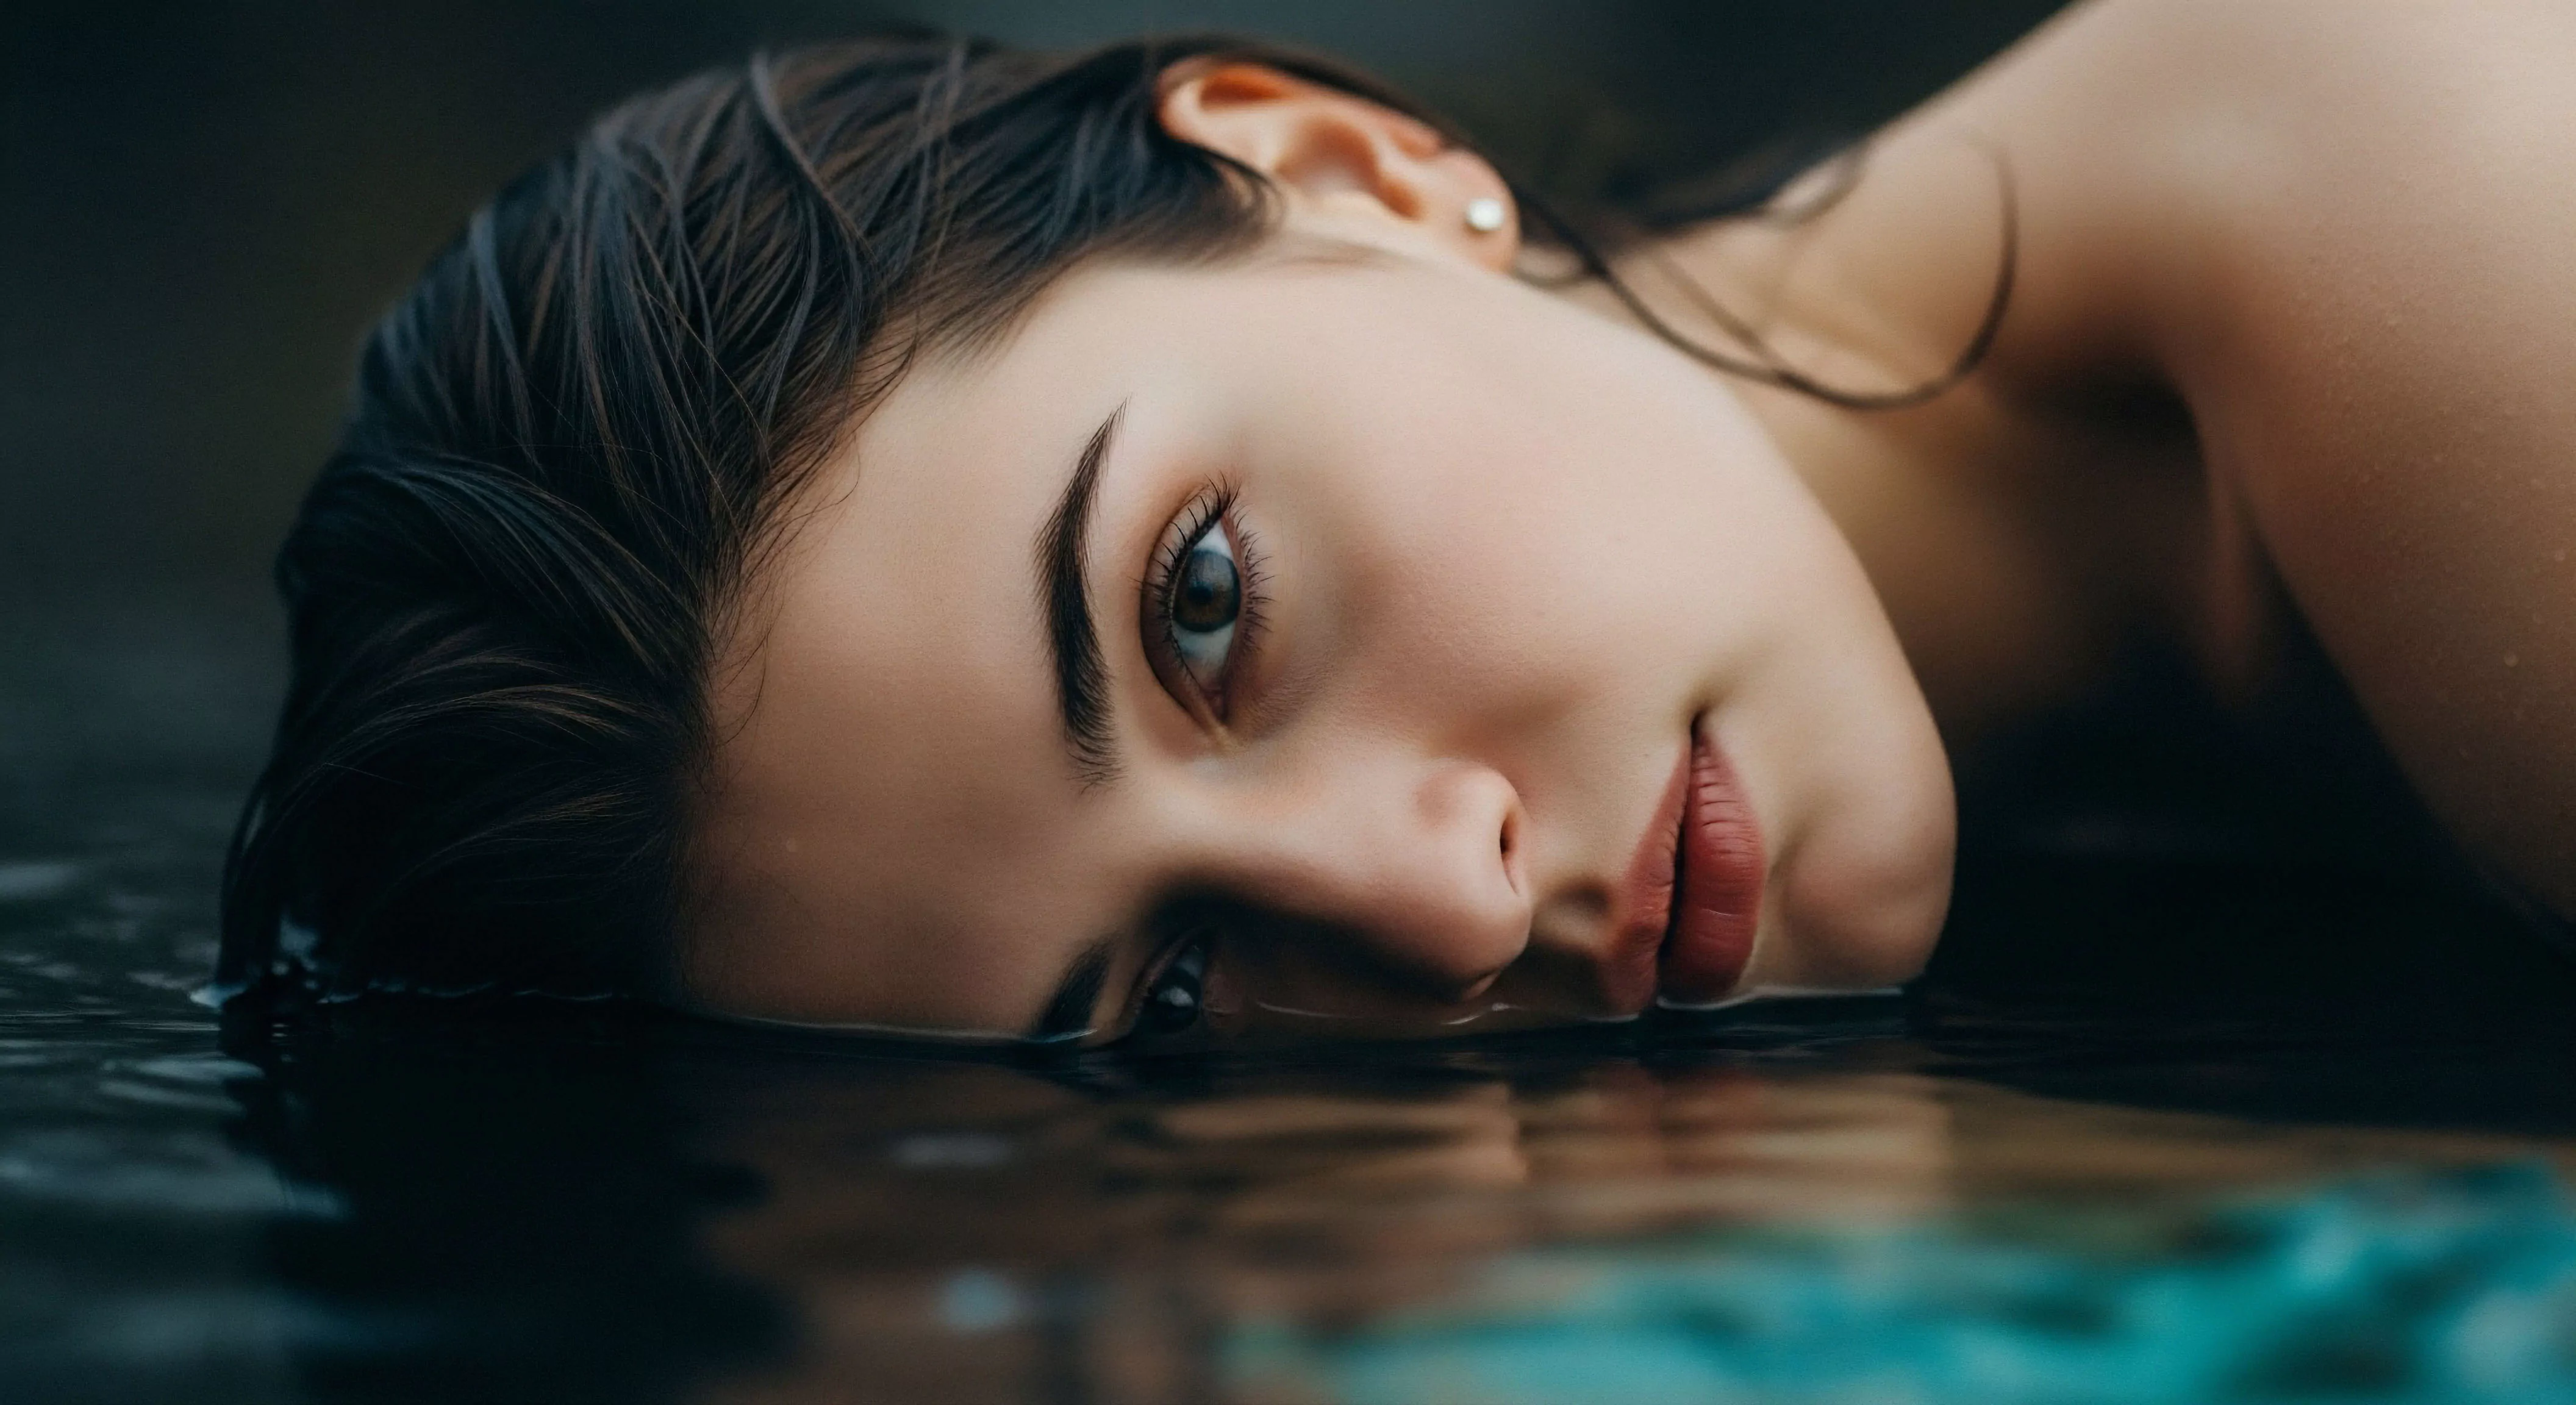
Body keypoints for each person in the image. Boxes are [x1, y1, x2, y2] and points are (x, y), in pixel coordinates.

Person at [219, 0, 2576, 1046]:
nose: (1435, 910)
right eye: (1159, 1010)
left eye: (1203, 608)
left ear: (1351, 170)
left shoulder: (2459, 234)